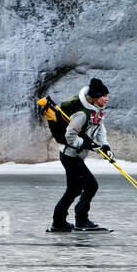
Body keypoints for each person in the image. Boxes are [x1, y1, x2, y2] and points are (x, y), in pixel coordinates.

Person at [49, 78, 113, 232]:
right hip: (70, 156)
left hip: (75, 157)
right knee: (91, 186)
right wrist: (85, 144)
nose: (106, 98)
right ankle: (81, 221)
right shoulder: (82, 114)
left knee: (74, 189)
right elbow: (69, 136)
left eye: (107, 95)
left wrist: (105, 146)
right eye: (103, 96)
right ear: (94, 97)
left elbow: (100, 129)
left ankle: (58, 222)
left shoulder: (96, 111)